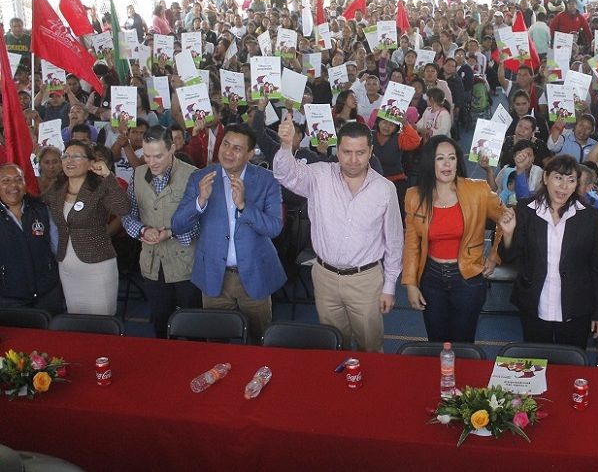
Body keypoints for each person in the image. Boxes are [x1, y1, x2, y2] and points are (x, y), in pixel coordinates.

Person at [273, 120, 403, 352]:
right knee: (333, 344)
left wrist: (390, 285)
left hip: (366, 280)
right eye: (347, 152)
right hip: (325, 278)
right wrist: (285, 146)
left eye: (360, 153)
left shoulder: (385, 189)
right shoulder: (318, 175)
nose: (353, 160)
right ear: (337, 150)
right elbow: (285, 174)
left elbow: (394, 241)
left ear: (371, 152)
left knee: (371, 346)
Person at [171, 123, 286, 343]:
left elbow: (274, 228)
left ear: (250, 154)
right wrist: (200, 201)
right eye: (225, 144)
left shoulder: (267, 180)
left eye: (237, 148)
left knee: (260, 340)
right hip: (215, 275)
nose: (228, 152)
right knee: (216, 342)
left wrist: (244, 206)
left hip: (253, 274)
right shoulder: (201, 178)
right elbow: (178, 226)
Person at [402, 136, 507, 343]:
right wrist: (411, 284)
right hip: (431, 279)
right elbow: (412, 243)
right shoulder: (414, 196)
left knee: (464, 342)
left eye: (452, 158)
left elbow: (506, 219)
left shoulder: (478, 190)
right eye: (440, 158)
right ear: (430, 163)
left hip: (467, 279)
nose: (447, 164)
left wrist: (495, 255)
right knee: (436, 340)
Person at [497, 155, 598, 348]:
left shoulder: (589, 216)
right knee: (536, 363)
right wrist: (508, 235)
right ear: (546, 177)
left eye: (571, 180)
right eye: (558, 177)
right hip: (534, 303)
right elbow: (510, 257)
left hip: (576, 306)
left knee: (571, 364)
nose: (564, 186)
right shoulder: (526, 210)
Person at [122, 126, 201, 338]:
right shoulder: (137, 175)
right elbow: (127, 214)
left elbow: (200, 222)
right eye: (146, 155)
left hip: (186, 264)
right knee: (161, 325)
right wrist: (142, 230)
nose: (152, 162)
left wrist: (170, 233)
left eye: (158, 156)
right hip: (152, 264)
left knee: (193, 325)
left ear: (172, 149)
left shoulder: (191, 175)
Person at [43, 141, 130, 315]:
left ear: (91, 162)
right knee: (76, 320)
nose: (69, 160)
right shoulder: (57, 188)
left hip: (97, 266)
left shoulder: (100, 187)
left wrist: (108, 176)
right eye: (66, 156)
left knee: (101, 322)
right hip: (67, 267)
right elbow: (36, 205)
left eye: (76, 156)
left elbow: (123, 208)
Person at [0, 164, 64, 314]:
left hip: (48, 293)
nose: (13, 185)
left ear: (25, 183)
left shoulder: (41, 210)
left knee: (53, 336)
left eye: (18, 179)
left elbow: (57, 248)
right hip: (9, 298)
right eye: (5, 180)